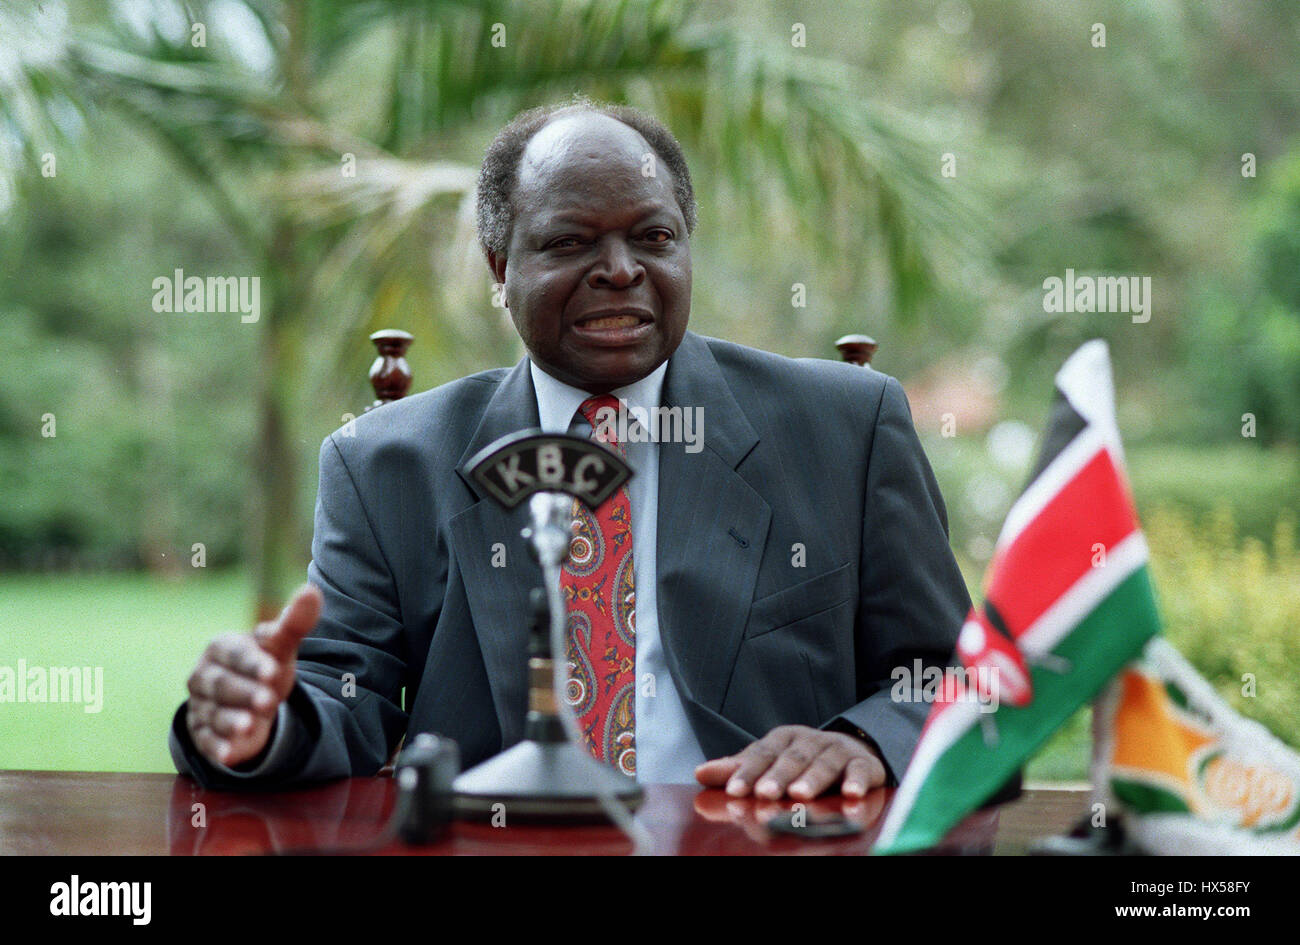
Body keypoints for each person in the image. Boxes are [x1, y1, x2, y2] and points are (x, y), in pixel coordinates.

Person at [170, 98, 971, 802]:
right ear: (500, 267)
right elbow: (342, 696)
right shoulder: (386, 465)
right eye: (570, 241)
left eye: (653, 236)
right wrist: (261, 722)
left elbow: (962, 683)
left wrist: (866, 741)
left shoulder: (843, 429)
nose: (620, 270)